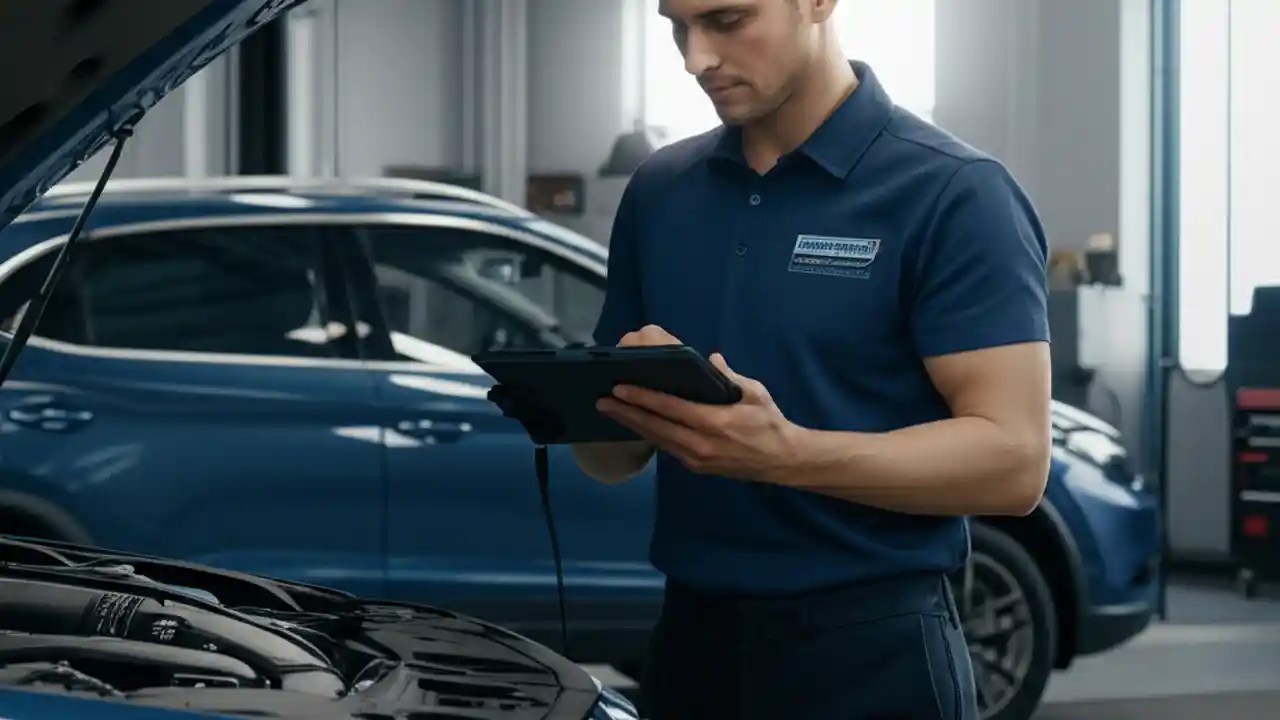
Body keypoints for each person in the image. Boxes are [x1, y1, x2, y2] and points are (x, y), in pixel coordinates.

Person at [572, 0, 1051, 717]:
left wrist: (785, 455)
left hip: (872, 650)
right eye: (676, 26)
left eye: (727, 20)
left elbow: (1014, 464)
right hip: (690, 644)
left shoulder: (954, 191)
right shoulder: (661, 191)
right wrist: (614, 402)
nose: (695, 59)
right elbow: (608, 461)